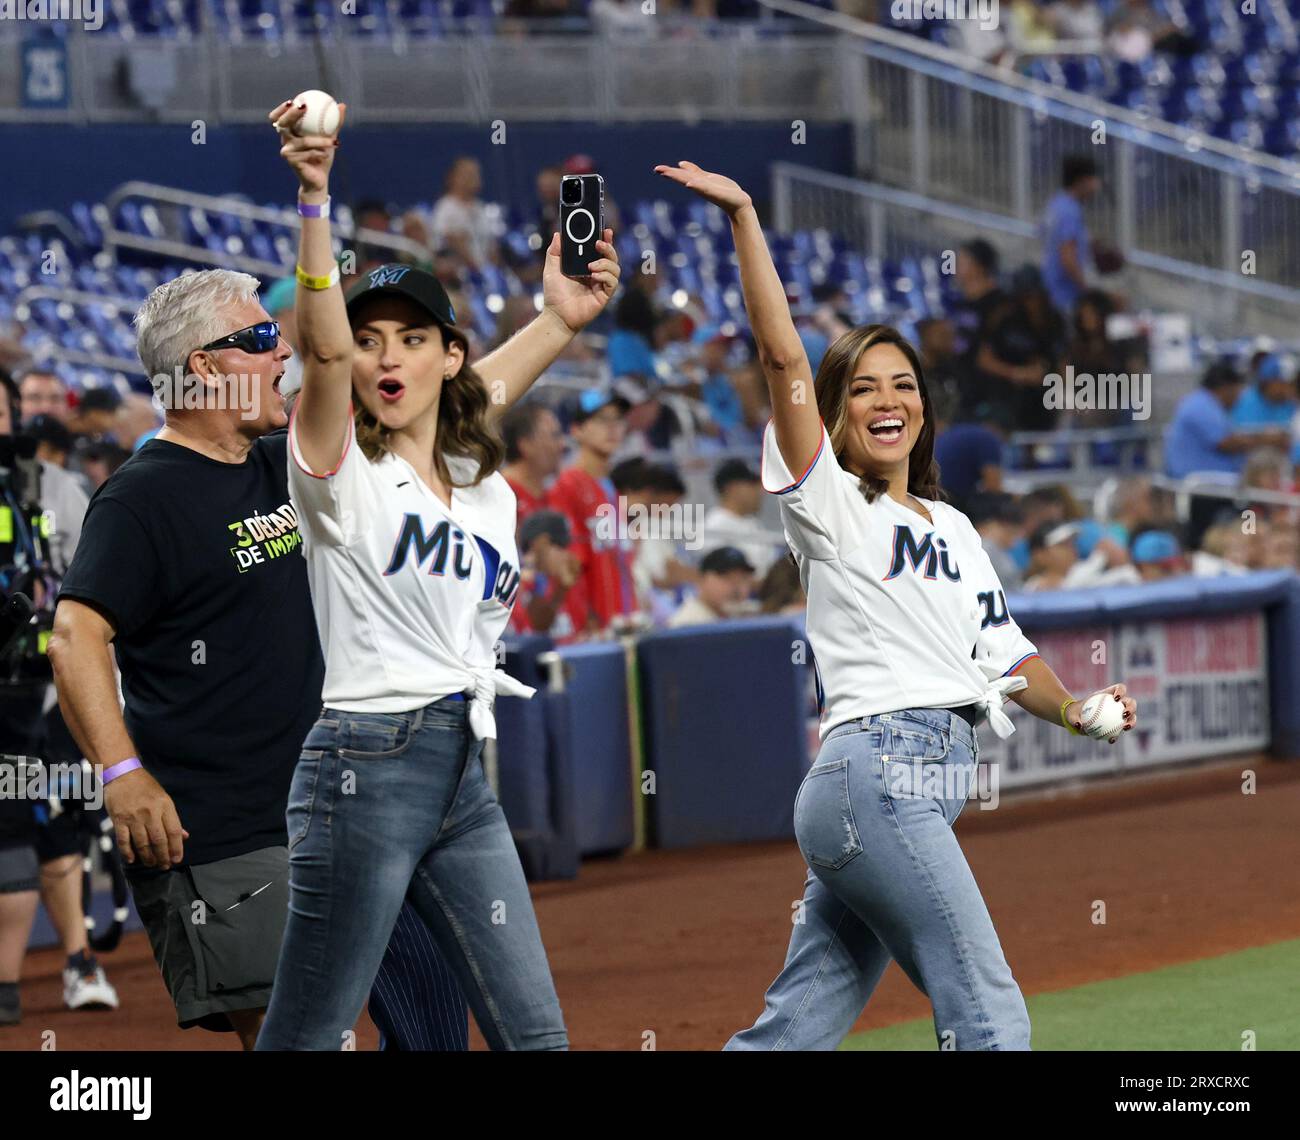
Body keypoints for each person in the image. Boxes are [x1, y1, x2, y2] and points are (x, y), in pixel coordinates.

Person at [654, 159, 1138, 1051]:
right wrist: (746, 222)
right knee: (989, 1011)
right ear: (834, 418)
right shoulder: (830, 503)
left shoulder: (951, 525)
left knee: (793, 1032)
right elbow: (782, 358)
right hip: (878, 773)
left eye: (903, 383)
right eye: (863, 388)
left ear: (924, 405)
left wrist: (1073, 708)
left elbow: (1003, 650)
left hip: (900, 787)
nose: (888, 399)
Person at [255, 98, 618, 1050]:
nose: (386, 355)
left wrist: (560, 317)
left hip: (461, 770)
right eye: (373, 338)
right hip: (360, 770)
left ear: (447, 355)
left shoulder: (472, 471)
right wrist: (314, 197)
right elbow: (328, 350)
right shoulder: (336, 470)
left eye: (413, 338)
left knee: (535, 1036)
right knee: (307, 1035)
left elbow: (483, 392)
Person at [47, 262, 483, 1050]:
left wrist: (559, 323)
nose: (281, 352)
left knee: (435, 1032)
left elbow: (427, 401)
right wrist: (120, 774)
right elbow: (76, 633)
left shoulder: (285, 461)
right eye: (258, 339)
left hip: (345, 814)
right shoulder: (141, 498)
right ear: (206, 369)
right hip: (229, 835)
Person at [549, 390, 638, 636]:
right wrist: (586, 622)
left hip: (625, 623)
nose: (612, 428)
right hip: (593, 630)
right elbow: (570, 566)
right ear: (576, 430)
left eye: (617, 420)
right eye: (601, 420)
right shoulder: (567, 486)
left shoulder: (611, 487)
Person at [1164, 361, 1290, 480]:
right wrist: (1268, 440)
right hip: (1202, 487)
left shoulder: (1205, 404)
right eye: (1236, 392)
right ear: (1226, 388)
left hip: (1209, 483)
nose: (1238, 398)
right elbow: (1227, 443)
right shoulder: (1201, 405)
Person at [1041, 155, 1101, 317]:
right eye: (1093, 179)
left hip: (1050, 286)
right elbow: (1067, 257)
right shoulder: (1070, 212)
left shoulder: (1056, 203)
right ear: (1081, 180)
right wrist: (1086, 288)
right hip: (1064, 294)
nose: (1096, 185)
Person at [702, 458, 782, 578]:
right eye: (752, 484)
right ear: (732, 488)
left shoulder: (752, 522)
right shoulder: (715, 525)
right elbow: (721, 579)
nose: (760, 491)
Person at [499, 401, 565, 523]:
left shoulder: (548, 496)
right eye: (554, 436)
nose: (562, 444)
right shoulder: (501, 496)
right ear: (526, 444)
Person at [667, 546, 756, 628]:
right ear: (702, 579)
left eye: (743, 578)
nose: (736, 587)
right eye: (726, 577)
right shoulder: (686, 625)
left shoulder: (746, 614)